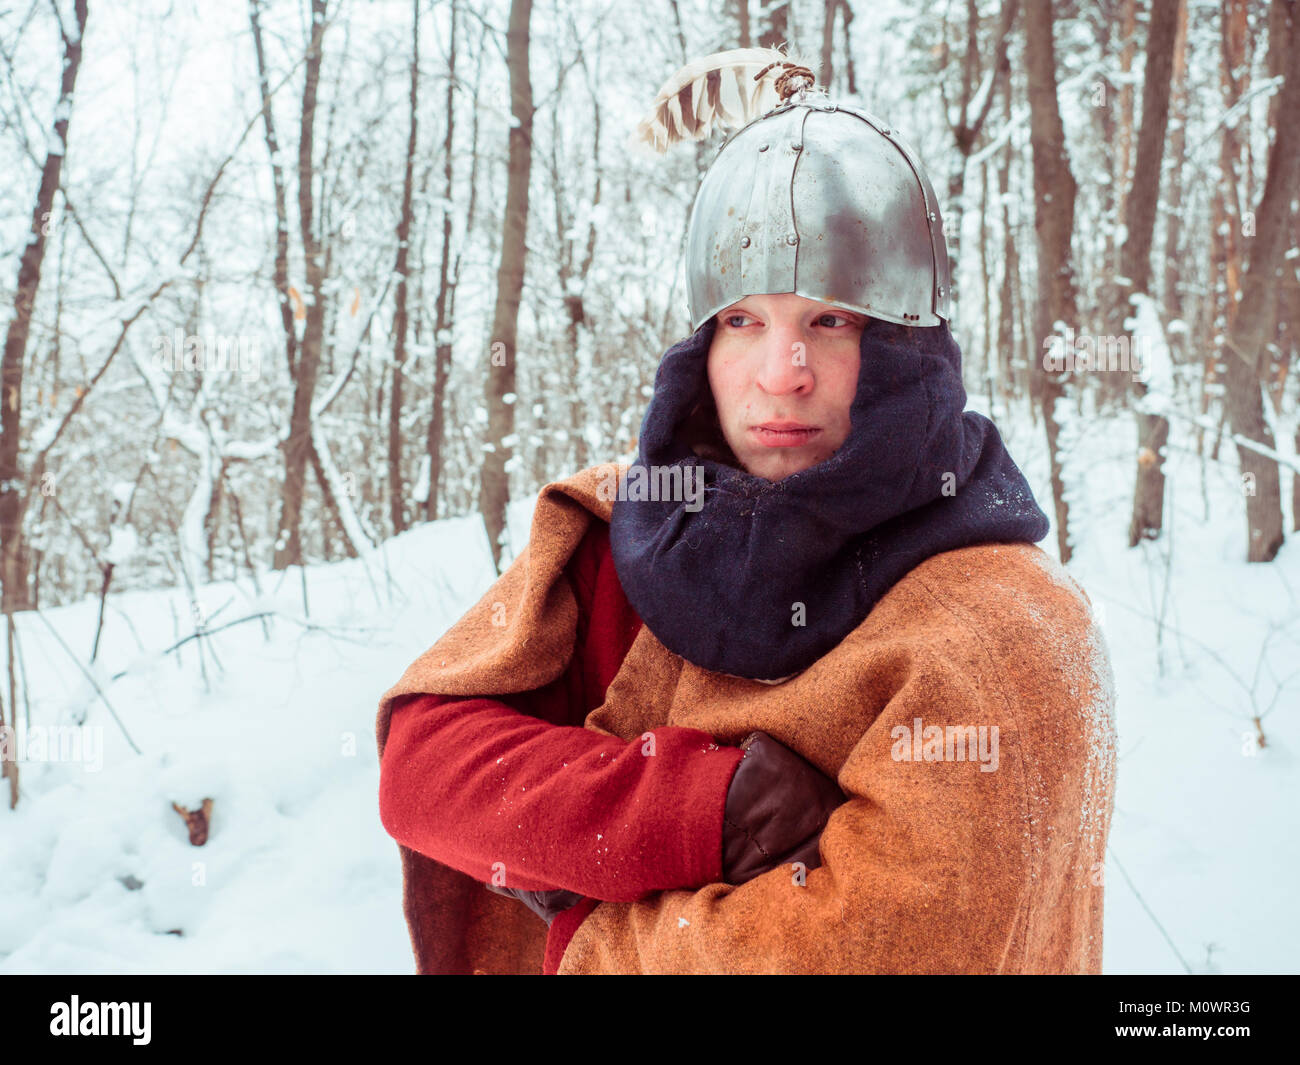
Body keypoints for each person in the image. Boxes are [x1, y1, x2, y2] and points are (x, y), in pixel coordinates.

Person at [376, 52, 1118, 975]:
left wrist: (574, 935)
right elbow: (427, 764)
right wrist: (702, 809)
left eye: (831, 322)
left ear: (902, 348)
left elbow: (871, 953)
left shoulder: (1009, 633)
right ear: (701, 344)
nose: (782, 372)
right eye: (743, 322)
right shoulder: (630, 531)